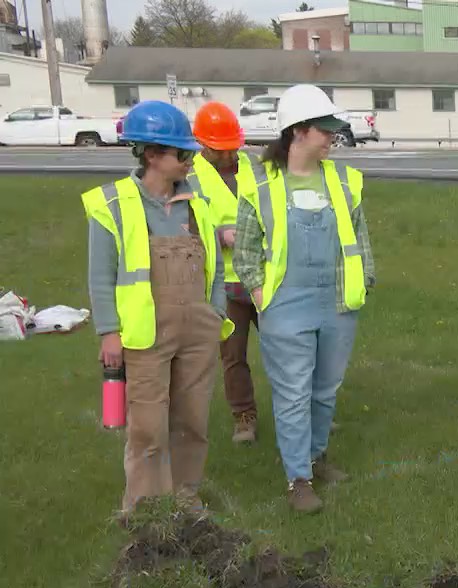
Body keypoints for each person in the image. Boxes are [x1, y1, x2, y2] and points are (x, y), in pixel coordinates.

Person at [83, 100, 234, 516]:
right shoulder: (112, 204)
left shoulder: (196, 204)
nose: (191, 160)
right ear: (152, 154)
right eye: (182, 153)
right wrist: (109, 332)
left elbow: (216, 268)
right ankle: (145, 507)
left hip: (197, 330)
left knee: (192, 421)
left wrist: (216, 311)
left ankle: (186, 496)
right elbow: (101, 276)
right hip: (144, 334)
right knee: (148, 426)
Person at [233, 83, 375, 514]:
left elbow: (360, 237)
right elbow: (245, 250)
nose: (333, 137)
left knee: (324, 390)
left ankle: (316, 456)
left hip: (336, 303)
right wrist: (261, 292)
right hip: (284, 305)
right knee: (293, 392)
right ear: (298, 131)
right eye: (325, 129)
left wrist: (365, 278)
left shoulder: (345, 180)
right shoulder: (259, 186)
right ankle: (298, 479)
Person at [189, 100, 261, 445]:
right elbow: (185, 229)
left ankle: (307, 410)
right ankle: (244, 418)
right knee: (233, 356)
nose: (231, 154)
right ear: (203, 145)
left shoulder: (254, 167)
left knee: (288, 349)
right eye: (222, 149)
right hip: (224, 283)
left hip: (264, 276)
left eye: (234, 146)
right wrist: (219, 237)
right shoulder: (190, 176)